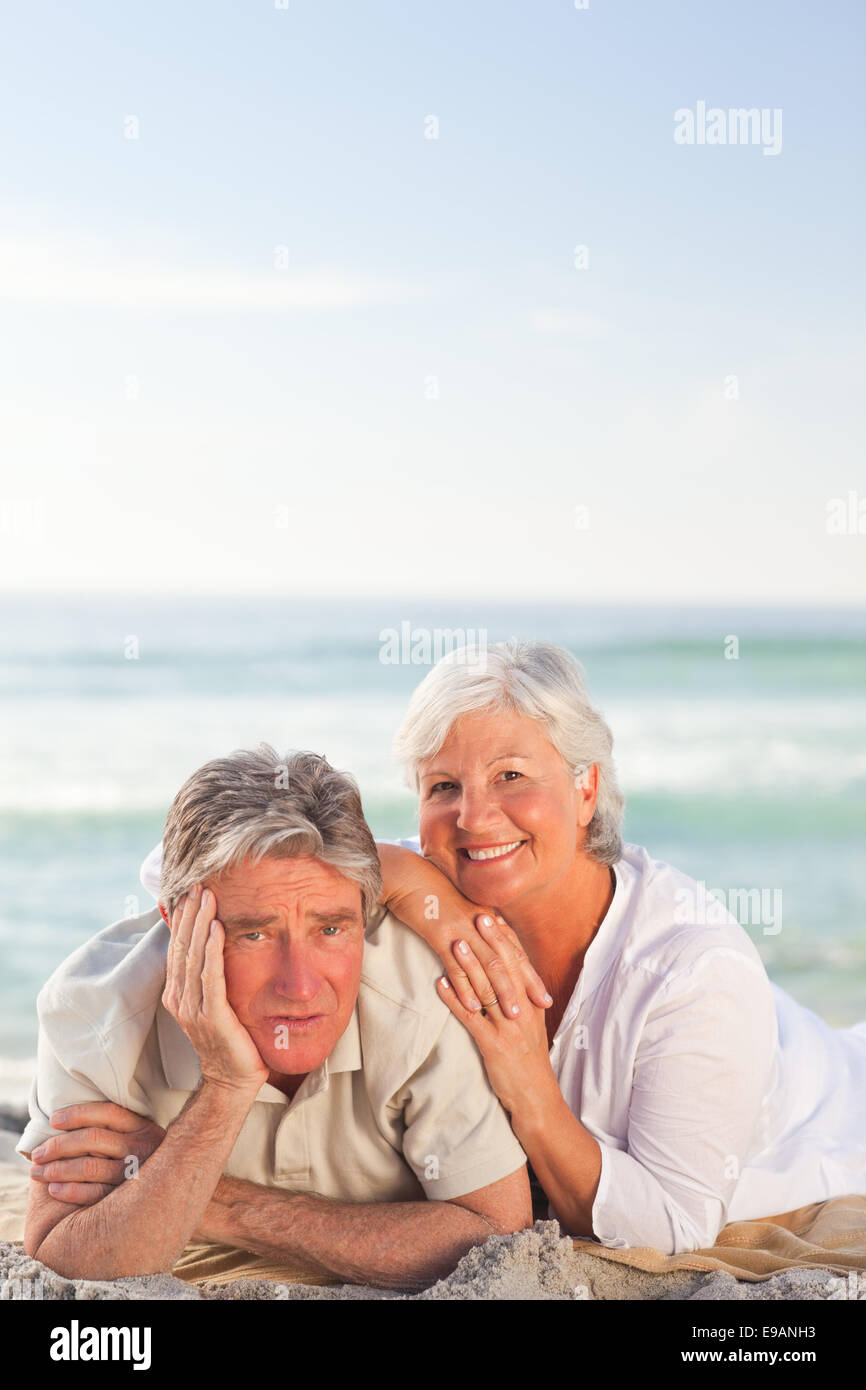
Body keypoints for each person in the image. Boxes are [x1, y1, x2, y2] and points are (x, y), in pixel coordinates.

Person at [131, 640, 866, 1255]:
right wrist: (421, 886)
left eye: (512, 776)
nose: (475, 817)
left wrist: (529, 1087)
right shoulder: (436, 907)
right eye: (443, 786)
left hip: (838, 1110)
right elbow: (185, 872)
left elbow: (673, 1227)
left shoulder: (694, 969)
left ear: (586, 790)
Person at [18, 747, 531, 1288]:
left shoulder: (425, 989)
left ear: (366, 913)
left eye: (331, 929)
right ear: (176, 923)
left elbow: (496, 1237)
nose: (301, 985)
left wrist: (208, 1195)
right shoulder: (94, 1012)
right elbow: (61, 1256)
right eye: (255, 934)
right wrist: (226, 1085)